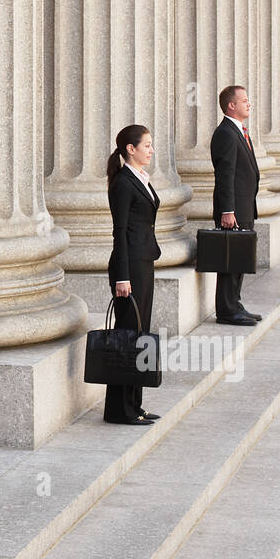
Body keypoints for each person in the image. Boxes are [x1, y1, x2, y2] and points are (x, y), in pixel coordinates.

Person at [105, 124, 162, 425]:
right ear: (131, 148)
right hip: (130, 270)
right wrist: (122, 277)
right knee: (127, 337)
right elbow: (121, 232)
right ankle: (120, 409)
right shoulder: (124, 183)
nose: (151, 150)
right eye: (147, 145)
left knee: (139, 336)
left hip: (144, 263)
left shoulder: (140, 178)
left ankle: (135, 405)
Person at [210, 84, 261, 325]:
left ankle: (235, 303)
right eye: (244, 100)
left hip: (243, 206)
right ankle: (227, 310)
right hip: (233, 210)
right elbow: (225, 174)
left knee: (239, 258)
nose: (249, 103)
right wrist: (227, 210)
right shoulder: (225, 134)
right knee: (230, 261)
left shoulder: (238, 131)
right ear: (231, 105)